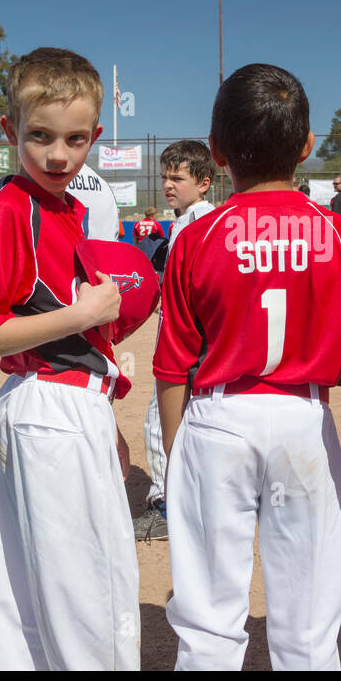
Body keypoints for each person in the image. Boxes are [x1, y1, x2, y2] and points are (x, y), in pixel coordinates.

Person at [154, 63, 341, 670]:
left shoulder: (197, 237)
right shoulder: (338, 233)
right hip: (303, 418)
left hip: (216, 417)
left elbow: (173, 366)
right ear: (306, 146)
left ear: (216, 150)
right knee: (308, 626)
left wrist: (178, 456)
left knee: (208, 622)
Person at [0, 47, 137, 671]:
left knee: (34, 588)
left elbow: (70, 330)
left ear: (95, 137)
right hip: (50, 406)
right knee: (88, 588)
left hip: (65, 402)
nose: (59, 155)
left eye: (75, 139)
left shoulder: (63, 209)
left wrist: (106, 413)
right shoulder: (14, 209)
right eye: (40, 136)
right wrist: (83, 316)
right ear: (11, 131)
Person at [136, 140, 214, 542]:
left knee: (159, 421)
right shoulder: (190, 218)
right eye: (165, 176)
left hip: (184, 337)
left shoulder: (199, 221)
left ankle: (166, 504)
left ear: (204, 183)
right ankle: (195, 498)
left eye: (178, 178)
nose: (168, 184)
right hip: (195, 336)